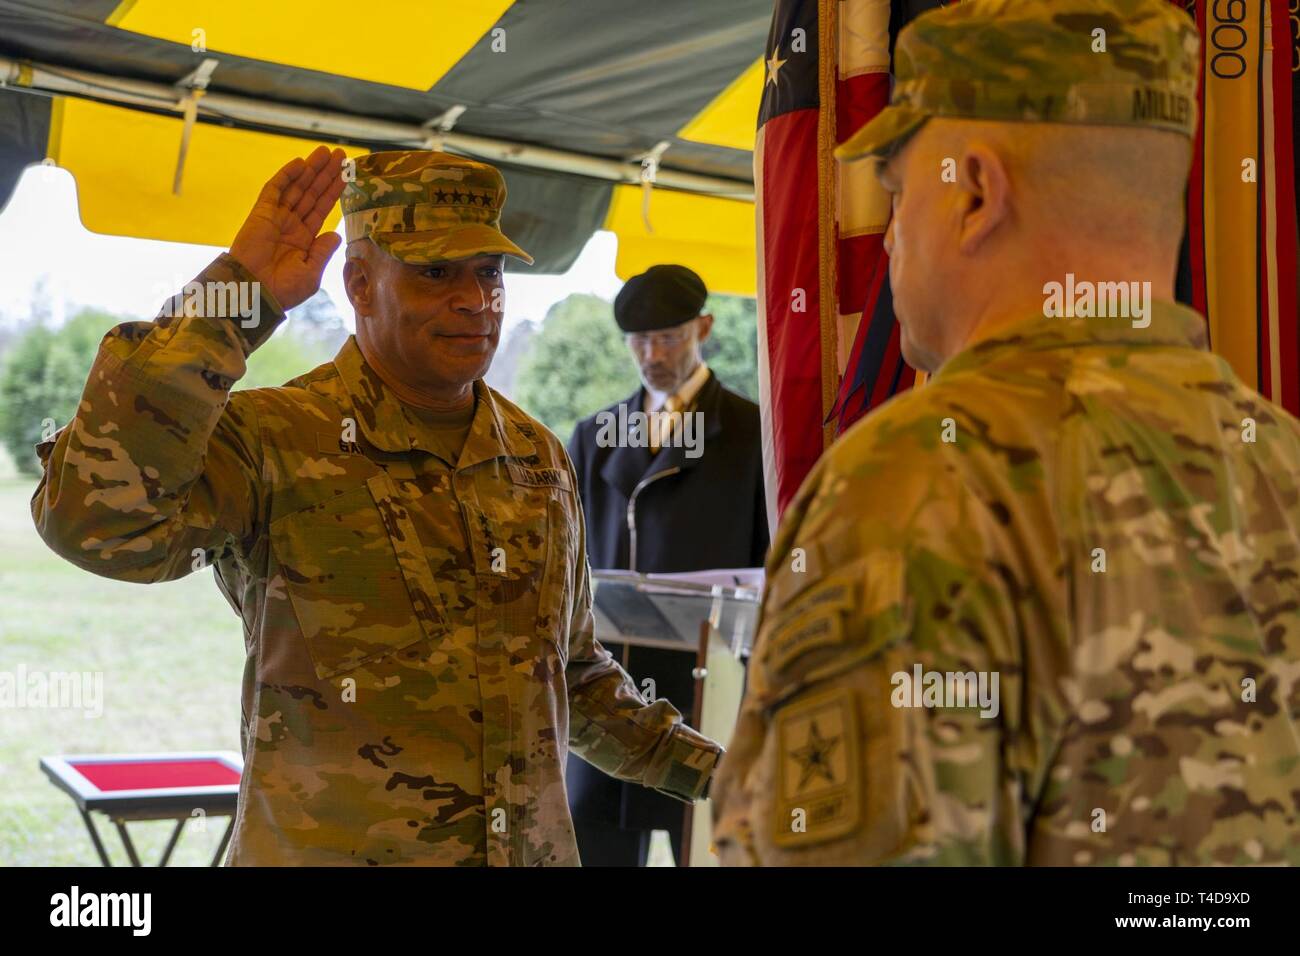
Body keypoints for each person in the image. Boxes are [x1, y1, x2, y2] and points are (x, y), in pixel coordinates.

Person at [712, 0, 1300, 865]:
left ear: (978, 193)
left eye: (900, 191)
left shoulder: (913, 485)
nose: (891, 236)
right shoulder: (1280, 461)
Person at [30, 147, 721, 866]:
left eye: (489, 272)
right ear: (360, 282)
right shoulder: (275, 437)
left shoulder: (535, 459)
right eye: (434, 272)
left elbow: (571, 676)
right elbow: (93, 521)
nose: (474, 299)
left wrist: (720, 775)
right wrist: (234, 300)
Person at [566, 264, 768, 865]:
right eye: (640, 341)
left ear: (703, 327)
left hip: (710, 682)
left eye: (669, 338)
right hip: (609, 691)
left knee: (706, 843)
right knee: (596, 842)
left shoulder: (752, 432)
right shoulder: (594, 435)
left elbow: (772, 559)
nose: (653, 355)